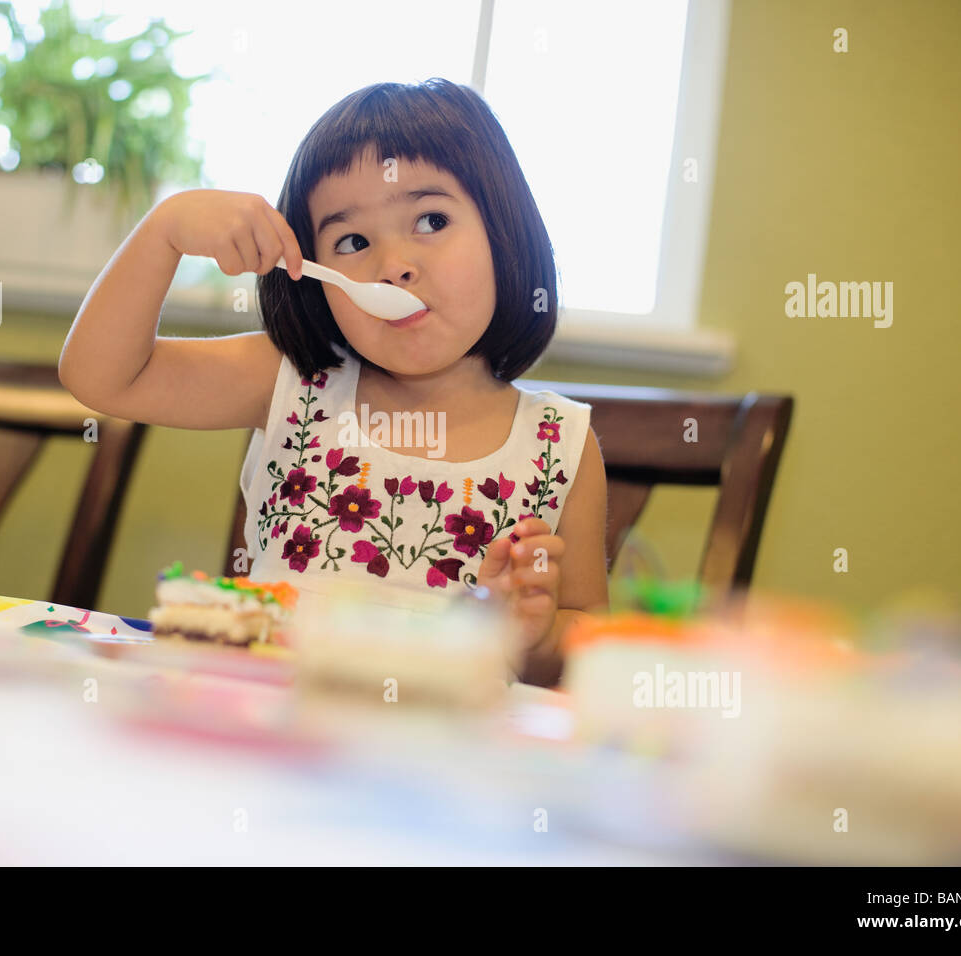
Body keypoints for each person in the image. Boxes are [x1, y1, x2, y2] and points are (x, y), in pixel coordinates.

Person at [60, 78, 608, 684]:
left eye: (431, 219)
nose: (392, 263)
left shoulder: (561, 442)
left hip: (446, 762)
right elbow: (101, 377)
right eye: (352, 241)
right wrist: (165, 230)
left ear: (503, 231)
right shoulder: (292, 381)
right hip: (268, 745)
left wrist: (533, 632)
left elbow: (585, 643)